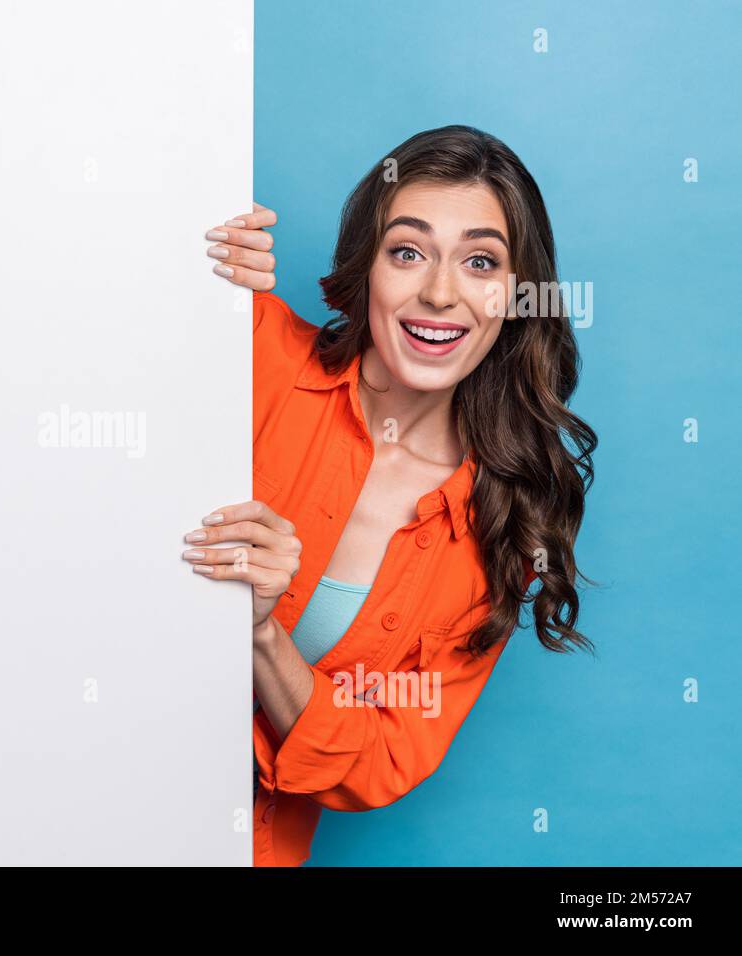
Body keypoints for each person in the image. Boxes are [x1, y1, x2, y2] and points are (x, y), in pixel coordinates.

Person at [183, 126, 597, 866]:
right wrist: (182, 245)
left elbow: (383, 760)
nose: (440, 292)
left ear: (515, 295)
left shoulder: (502, 526)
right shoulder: (249, 349)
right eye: (407, 251)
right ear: (364, 267)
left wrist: (261, 634)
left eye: (480, 262)